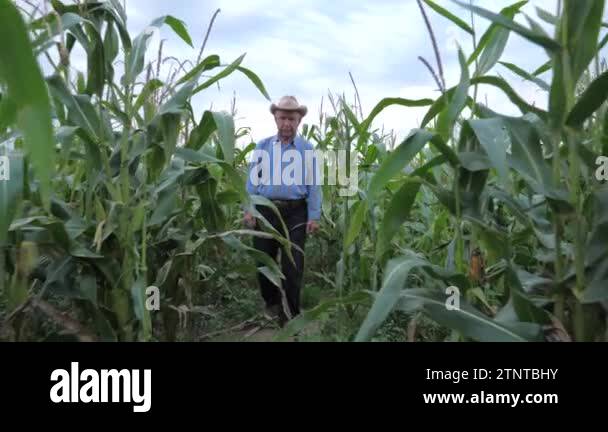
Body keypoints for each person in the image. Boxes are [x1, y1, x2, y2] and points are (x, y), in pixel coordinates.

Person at [243, 95, 322, 327]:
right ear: (275, 119)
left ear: (299, 121)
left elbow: (314, 185)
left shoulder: (307, 149)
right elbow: (251, 182)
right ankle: (273, 303)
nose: (287, 123)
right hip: (265, 211)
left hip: (296, 213)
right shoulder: (263, 146)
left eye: (292, 118)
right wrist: (249, 210)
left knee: (293, 266)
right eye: (282, 118)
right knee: (263, 263)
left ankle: (292, 316)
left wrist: (314, 216)